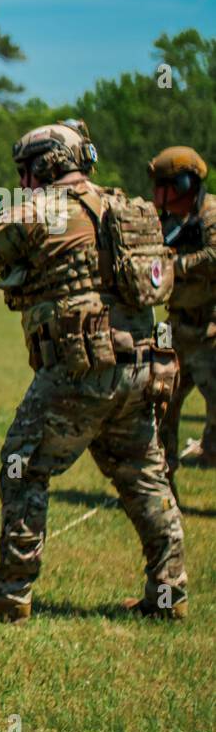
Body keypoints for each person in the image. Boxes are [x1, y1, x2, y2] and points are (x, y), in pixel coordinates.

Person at [0, 122, 187, 621]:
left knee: (23, 466)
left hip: (80, 369)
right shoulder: (123, 206)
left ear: (45, 165)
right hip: (142, 366)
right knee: (146, 477)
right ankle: (168, 592)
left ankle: (9, 593)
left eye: (25, 171)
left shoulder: (40, 209)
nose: (21, 182)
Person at [149, 145, 216, 492]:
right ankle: (162, 492)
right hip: (176, 332)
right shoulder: (171, 221)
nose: (155, 193)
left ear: (183, 184)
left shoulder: (210, 214)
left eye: (161, 185)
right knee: (160, 410)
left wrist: (176, 265)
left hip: (209, 334)